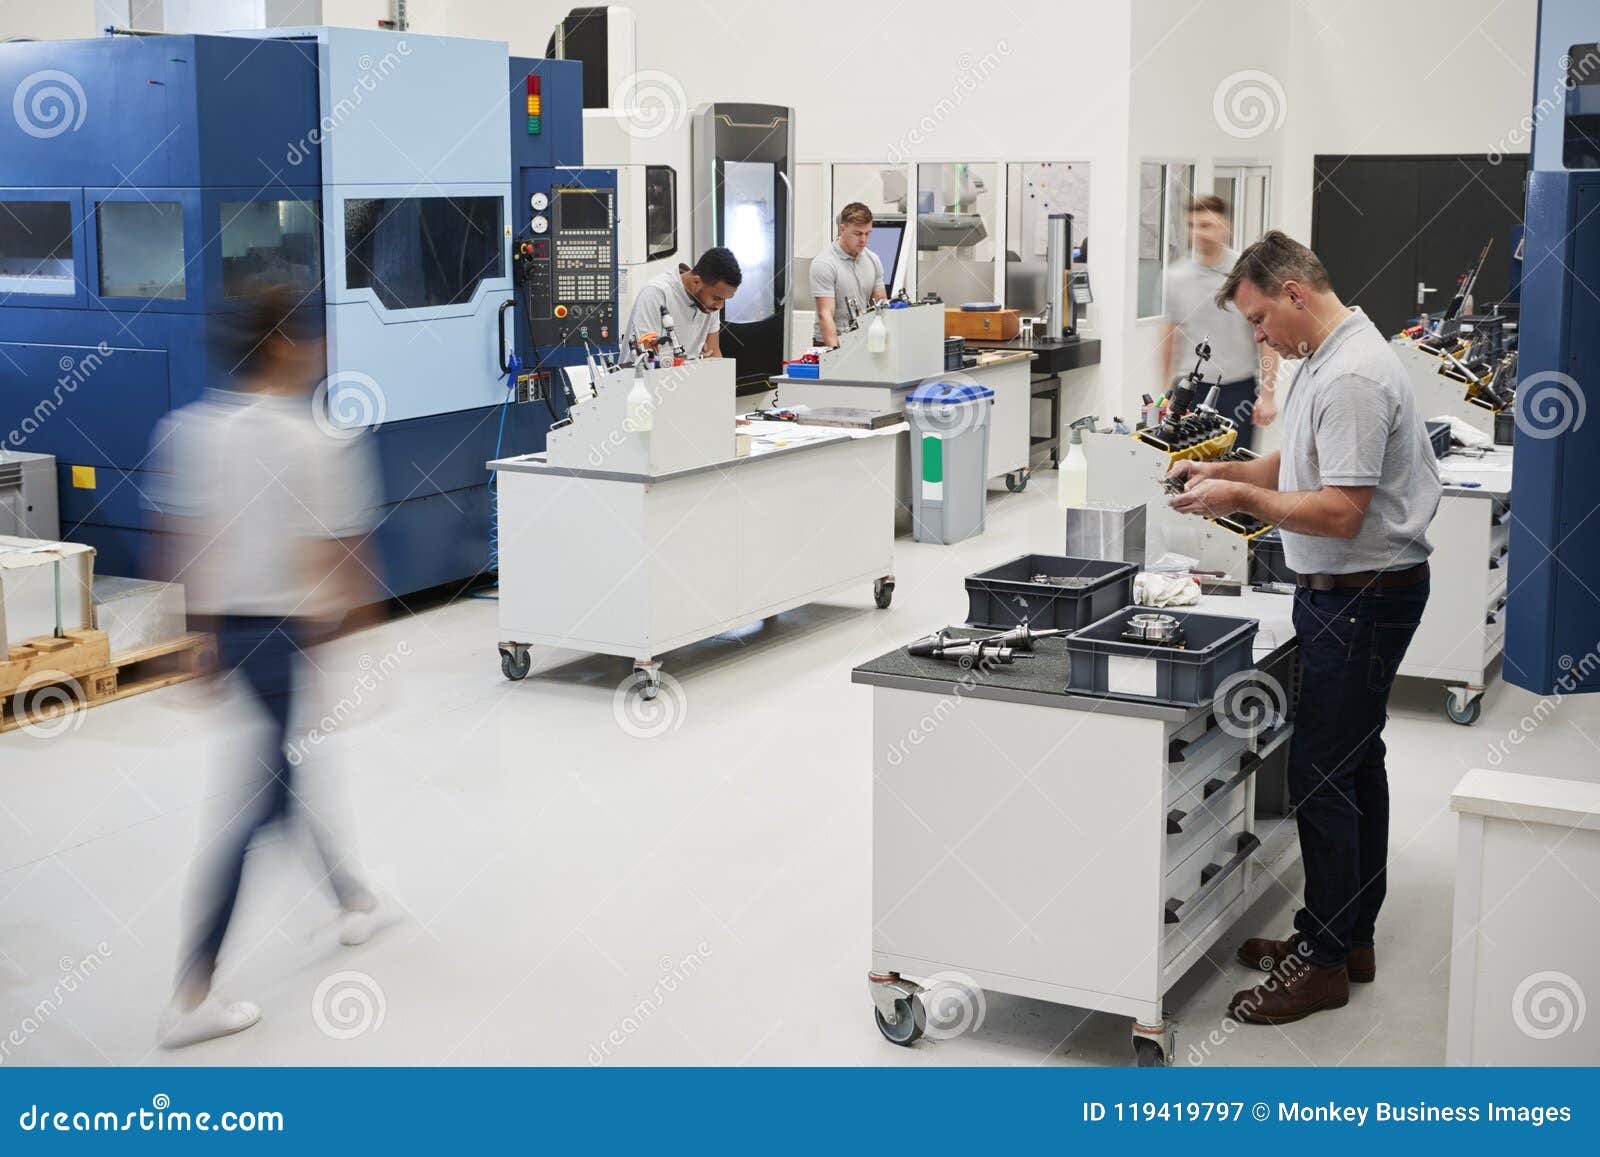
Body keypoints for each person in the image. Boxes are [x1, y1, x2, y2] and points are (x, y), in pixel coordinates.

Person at [1166, 231, 1441, 1025]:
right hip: (1350, 594)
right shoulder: (1327, 356)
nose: (1259, 338)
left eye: (1259, 319)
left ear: (1293, 293)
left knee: (1322, 773)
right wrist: (1222, 471)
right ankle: (1347, 935)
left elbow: (1341, 511)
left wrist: (1239, 501)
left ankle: (1322, 962)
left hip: (1361, 598)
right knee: (1353, 764)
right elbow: (1298, 469)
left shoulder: (1352, 375)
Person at [146, 287, 387, 1048]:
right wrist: (351, 641)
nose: (318, 350)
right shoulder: (315, 440)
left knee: (282, 773)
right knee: (262, 803)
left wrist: (196, 643)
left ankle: (353, 898)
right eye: (308, 336)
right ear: (282, 345)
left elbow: (179, 545)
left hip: (234, 636)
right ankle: (192, 992)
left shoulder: (192, 431)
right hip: (281, 636)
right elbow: (340, 557)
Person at [1161, 196, 1278, 448]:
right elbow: (1169, 338)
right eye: (1192, 225)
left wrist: (1268, 394)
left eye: (1206, 225)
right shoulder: (1175, 277)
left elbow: (1267, 337)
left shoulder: (1248, 272)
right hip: (1189, 390)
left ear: (1226, 227)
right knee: (1185, 464)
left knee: (1235, 463)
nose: (1198, 233)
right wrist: (1164, 393)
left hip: (1238, 391)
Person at [624, 246, 741, 361]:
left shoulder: (710, 303)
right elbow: (646, 359)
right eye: (717, 298)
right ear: (696, 282)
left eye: (725, 299)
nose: (720, 306)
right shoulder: (656, 293)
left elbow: (713, 353)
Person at [811, 202, 887, 347]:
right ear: (842, 229)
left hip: (861, 340)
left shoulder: (873, 259)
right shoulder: (824, 263)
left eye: (867, 233)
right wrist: (836, 353)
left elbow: (881, 308)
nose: (863, 240)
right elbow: (825, 314)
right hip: (830, 340)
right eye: (857, 233)